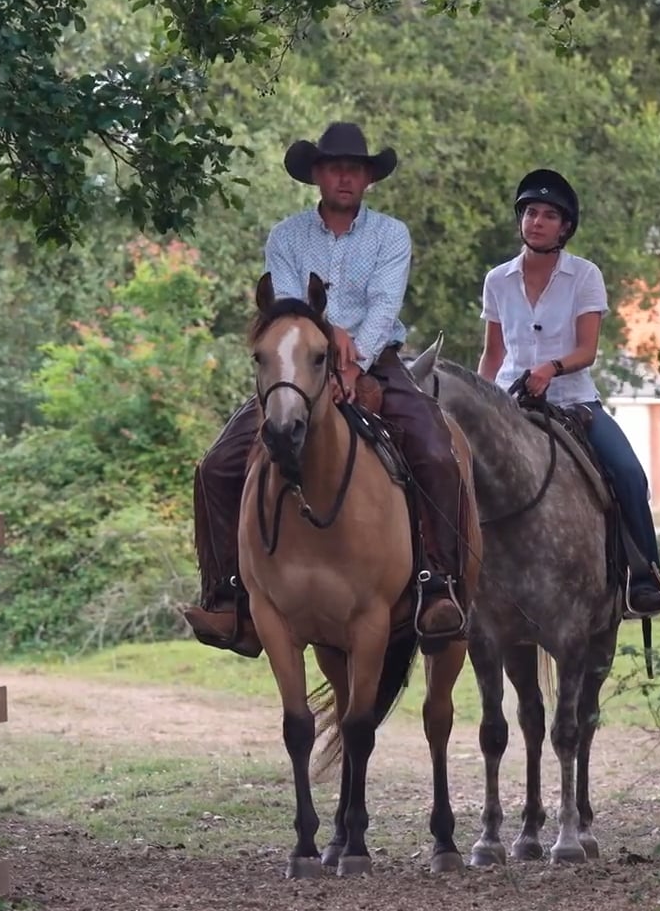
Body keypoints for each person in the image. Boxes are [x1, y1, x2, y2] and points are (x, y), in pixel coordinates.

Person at [184, 121, 471, 658]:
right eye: (335, 167)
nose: (345, 176)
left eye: (355, 169)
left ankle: (438, 583)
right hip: (299, 365)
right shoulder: (286, 237)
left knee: (435, 450)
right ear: (317, 174)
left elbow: (385, 307)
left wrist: (354, 359)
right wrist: (325, 345)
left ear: (368, 179)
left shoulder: (391, 235)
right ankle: (227, 597)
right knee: (217, 466)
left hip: (376, 358)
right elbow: (290, 308)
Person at [477, 168, 660, 619]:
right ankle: (443, 579)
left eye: (548, 215)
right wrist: (479, 400)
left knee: (628, 473)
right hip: (508, 403)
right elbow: (492, 354)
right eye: (530, 212)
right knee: (451, 466)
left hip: (573, 401)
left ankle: (642, 576)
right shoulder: (497, 280)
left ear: (565, 227)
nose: (536, 222)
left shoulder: (584, 276)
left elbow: (587, 349)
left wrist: (551, 368)